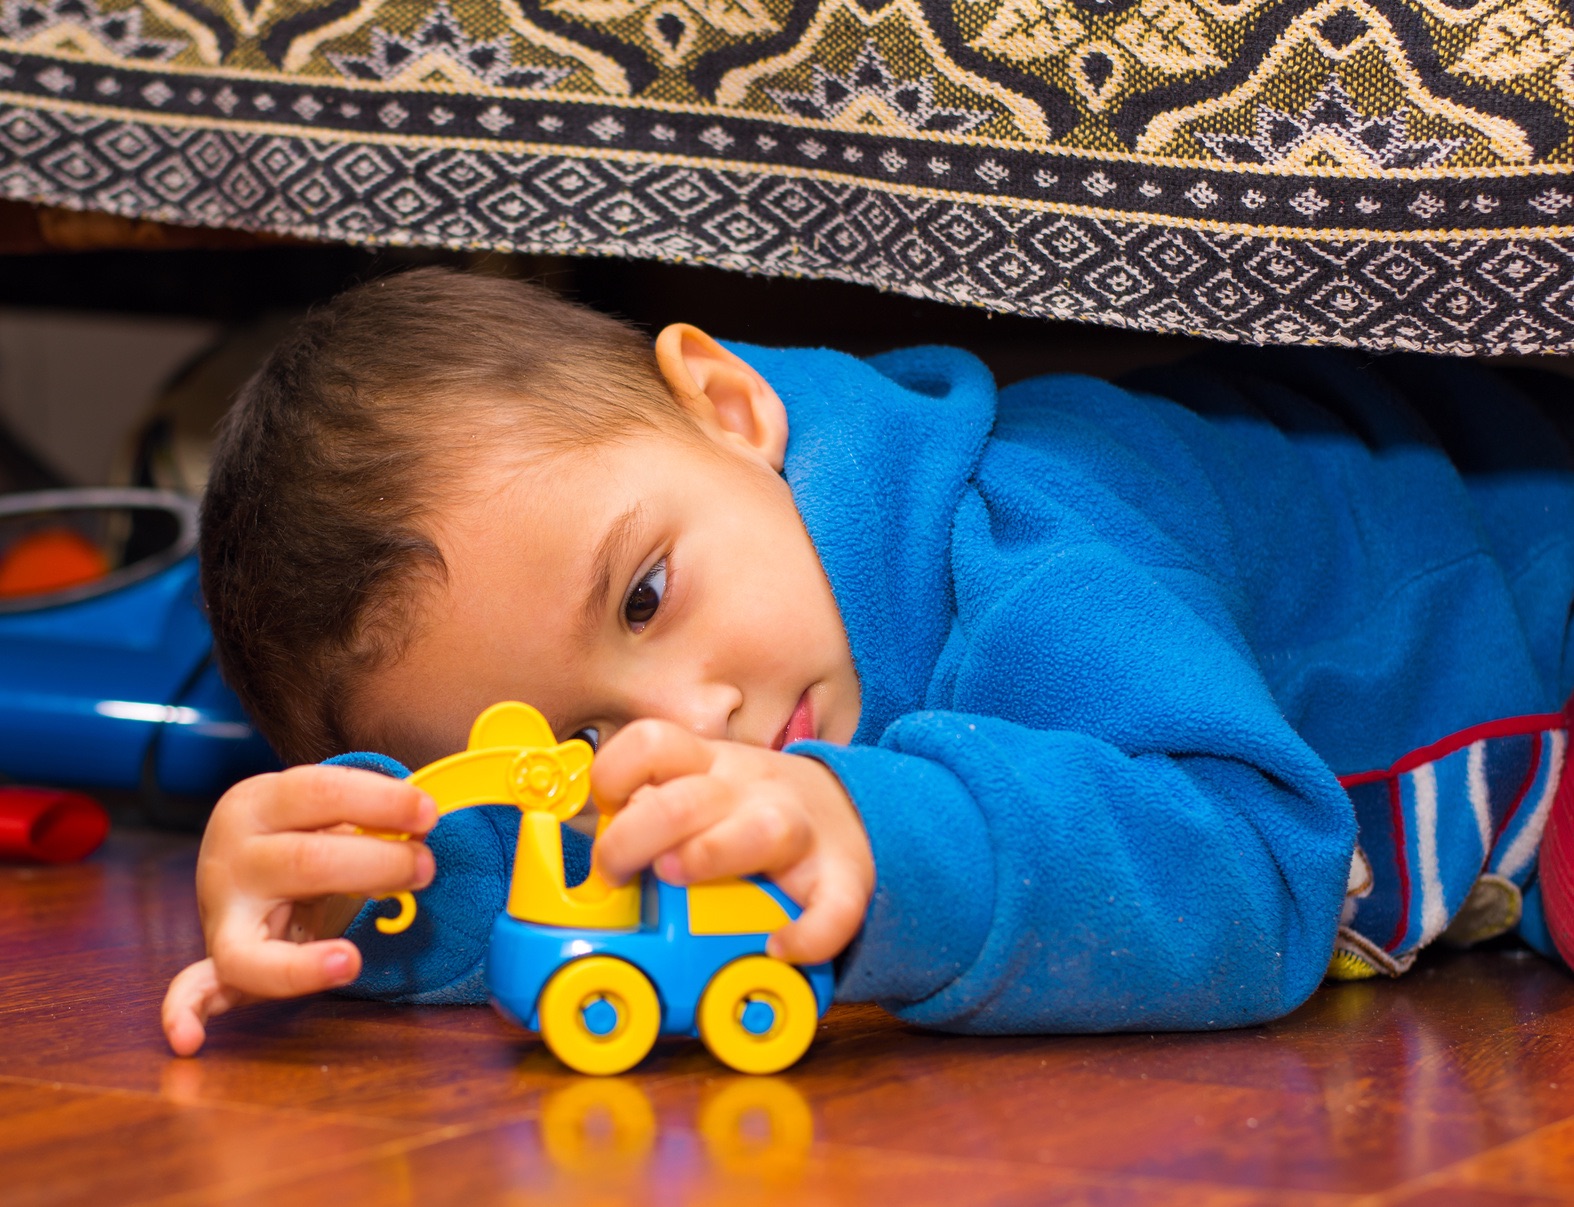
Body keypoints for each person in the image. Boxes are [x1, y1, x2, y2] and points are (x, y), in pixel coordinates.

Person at [161, 267, 1574, 1056]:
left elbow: (1251, 866)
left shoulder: (1041, 544)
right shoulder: (744, 657)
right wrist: (370, 892)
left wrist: (880, 841)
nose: (687, 722)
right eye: (578, 744)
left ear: (728, 406)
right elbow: (578, 866)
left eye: (644, 597)